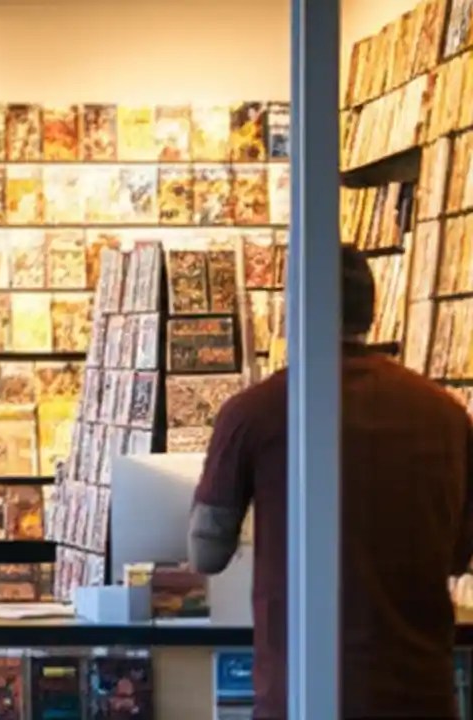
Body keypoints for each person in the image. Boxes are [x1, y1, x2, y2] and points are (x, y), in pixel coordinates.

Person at [188, 244, 473, 718]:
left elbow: (206, 554)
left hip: (300, 689)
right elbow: (458, 554)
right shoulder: (445, 413)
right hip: (419, 691)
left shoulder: (254, 411)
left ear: (293, 308)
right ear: (372, 309)